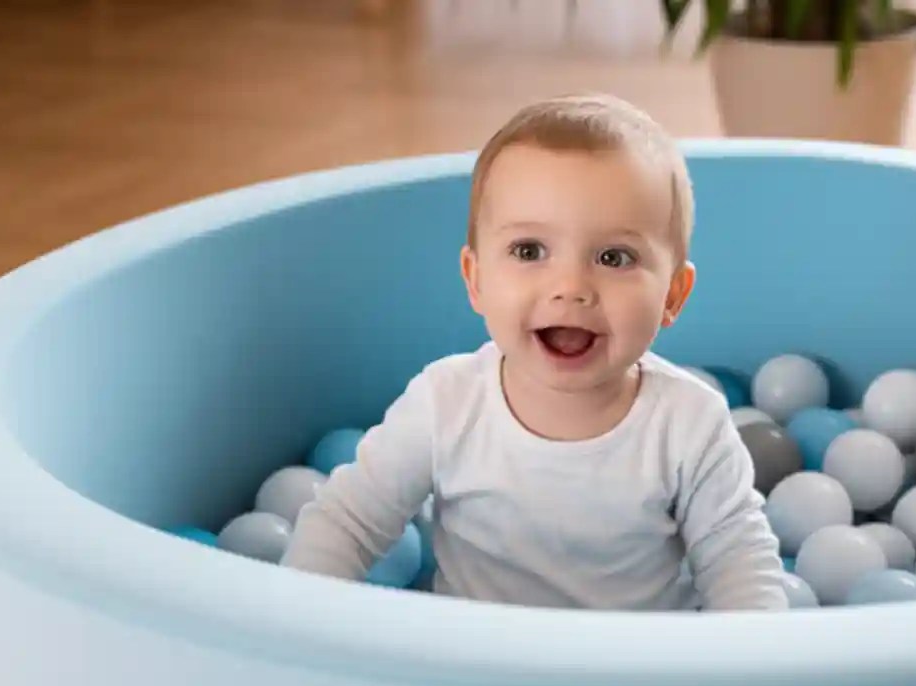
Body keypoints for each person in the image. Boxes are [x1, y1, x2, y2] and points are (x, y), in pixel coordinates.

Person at [280, 93, 788, 611]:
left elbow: (739, 564)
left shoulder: (689, 422)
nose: (570, 286)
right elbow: (348, 520)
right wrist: (297, 616)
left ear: (672, 296)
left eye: (614, 257)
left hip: (637, 677)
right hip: (479, 667)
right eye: (529, 251)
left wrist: (755, 667)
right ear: (475, 280)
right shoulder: (446, 403)